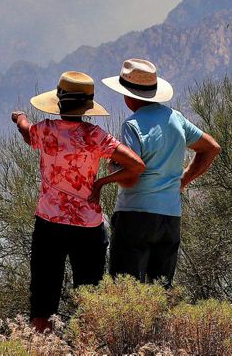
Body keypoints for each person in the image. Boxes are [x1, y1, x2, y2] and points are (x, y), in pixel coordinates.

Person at [12, 70, 144, 332]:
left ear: (59, 103)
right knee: (89, 296)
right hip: (88, 227)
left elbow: (27, 133)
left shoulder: (46, 131)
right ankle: (87, 347)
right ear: (87, 107)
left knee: (43, 295)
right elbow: (136, 165)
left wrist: (20, 117)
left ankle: (41, 348)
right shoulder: (96, 136)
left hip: (49, 224)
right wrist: (101, 183)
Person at [100, 58, 221, 285]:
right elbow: (211, 148)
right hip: (170, 217)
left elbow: (130, 177)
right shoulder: (176, 118)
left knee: (126, 292)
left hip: (135, 215)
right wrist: (183, 180)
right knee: (161, 292)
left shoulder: (132, 125)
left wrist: (112, 168)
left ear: (128, 96)